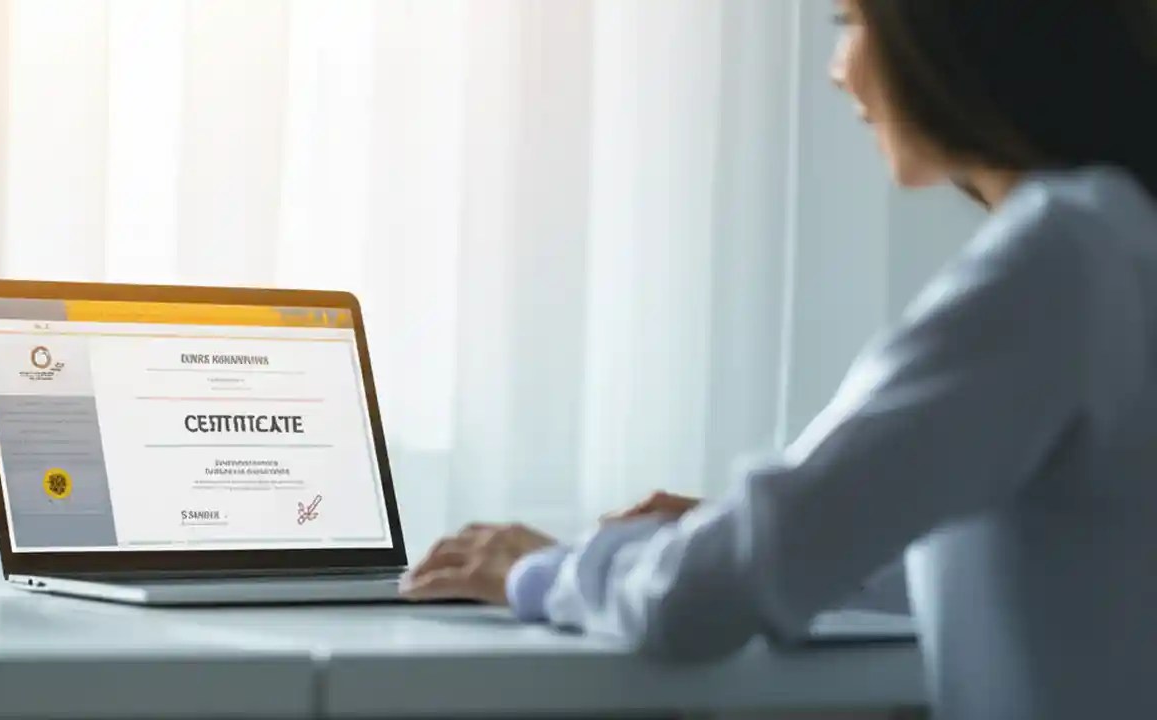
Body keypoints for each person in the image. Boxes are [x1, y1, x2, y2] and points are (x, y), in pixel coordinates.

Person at [400, 1, 1157, 718]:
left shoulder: (1061, 260)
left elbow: (704, 599)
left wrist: (540, 573)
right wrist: (792, 533)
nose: (838, 69)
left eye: (851, 21)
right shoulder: (1122, 243)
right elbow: (1055, 556)